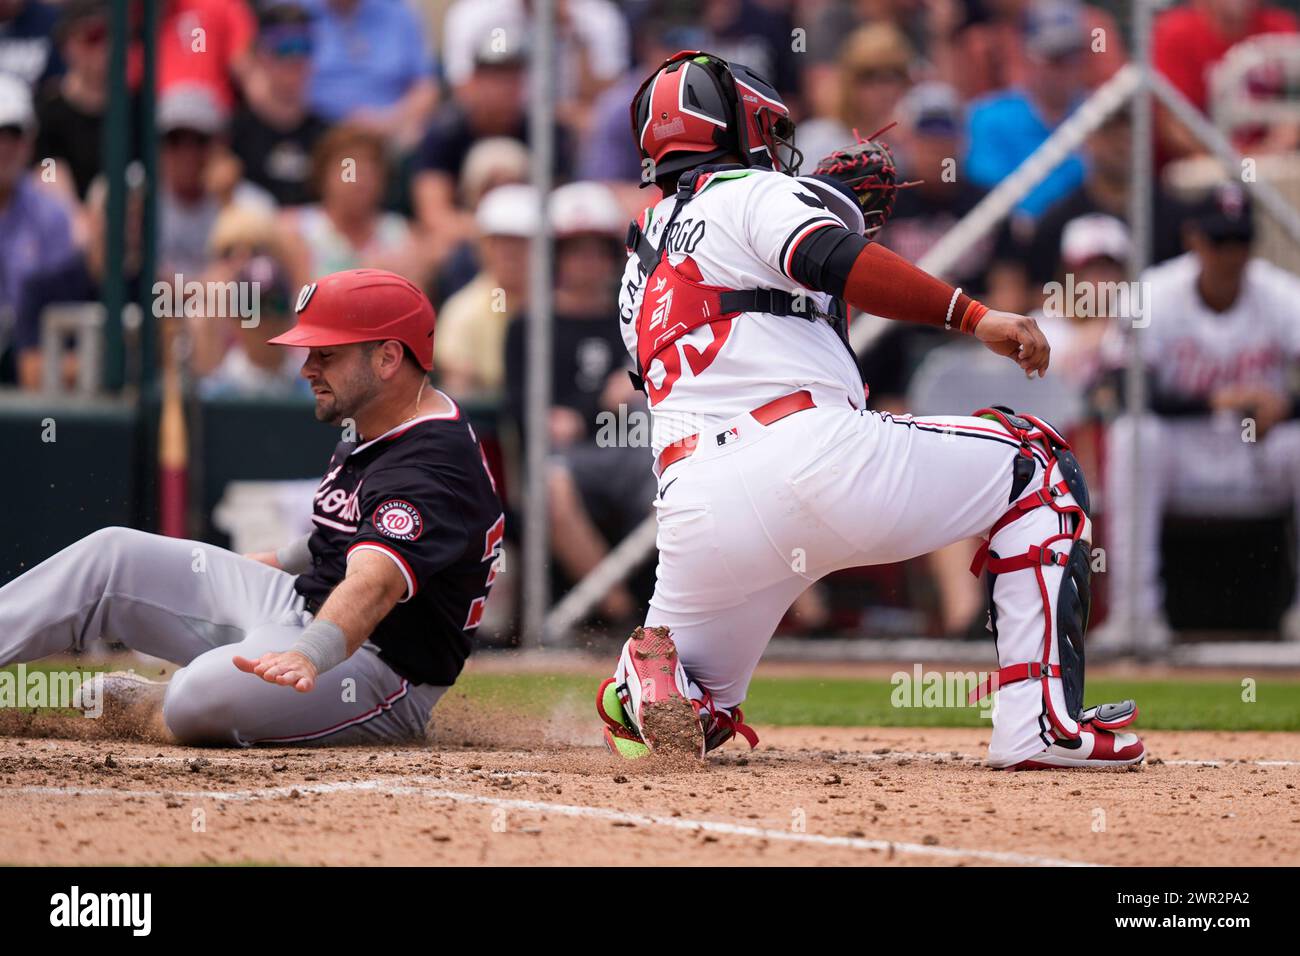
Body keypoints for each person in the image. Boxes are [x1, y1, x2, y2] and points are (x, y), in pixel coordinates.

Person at [595, 50, 1144, 770]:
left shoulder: (638, 266)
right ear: (739, 124)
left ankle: (638, 684)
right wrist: (975, 315)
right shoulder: (749, 190)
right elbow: (834, 261)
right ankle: (1039, 725)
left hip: (698, 513)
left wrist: (828, 219)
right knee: (1039, 462)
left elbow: (771, 318)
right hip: (813, 455)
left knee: (699, 717)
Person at [0, 269, 505, 745]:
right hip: (297, 606)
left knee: (196, 699)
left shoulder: (430, 465)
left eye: (326, 354)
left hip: (376, 666)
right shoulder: (380, 416)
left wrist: (307, 656)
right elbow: (342, 534)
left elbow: (373, 584)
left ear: (387, 358)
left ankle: (157, 704)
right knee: (111, 556)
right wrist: (271, 565)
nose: (307, 368)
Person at [1101, 186, 1300, 651]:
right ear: (1194, 240)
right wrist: (1216, 400)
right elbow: (1122, 390)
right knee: (1133, 435)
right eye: (1219, 242)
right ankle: (1136, 618)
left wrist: (1286, 405)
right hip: (1181, 451)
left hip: (1256, 451)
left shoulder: (1281, 293)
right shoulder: (1155, 291)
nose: (1230, 255)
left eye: (1239, 242)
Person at [504, 181, 654, 623]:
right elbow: (531, 414)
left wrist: (604, 403)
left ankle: (671, 616)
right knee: (553, 485)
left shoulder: (633, 317)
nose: (587, 264)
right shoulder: (530, 324)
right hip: (565, 460)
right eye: (575, 252)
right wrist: (597, 404)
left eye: (597, 252)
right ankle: (617, 615)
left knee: (685, 482)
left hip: (632, 448)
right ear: (556, 258)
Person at [964, 0, 1089, 218]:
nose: (1066, 69)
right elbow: (984, 196)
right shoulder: (989, 118)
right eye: (1055, 58)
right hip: (1015, 242)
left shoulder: (1101, 115)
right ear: (1027, 57)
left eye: (1073, 57)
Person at [280, 123, 421, 288]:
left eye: (369, 171)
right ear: (323, 174)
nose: (359, 181)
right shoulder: (295, 230)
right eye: (349, 169)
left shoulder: (402, 235)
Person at [156, 83, 274, 280]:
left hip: (230, 309)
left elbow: (257, 284)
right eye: (175, 140)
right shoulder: (136, 194)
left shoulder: (253, 205)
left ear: (221, 144)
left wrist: (227, 201)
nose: (187, 153)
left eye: (199, 141)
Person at [0, 71, 73, 380]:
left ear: (28, 141)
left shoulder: (51, 215)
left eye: (12, 135)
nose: (3, 148)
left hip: (35, 368)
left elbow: (62, 311)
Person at [433, 181, 535, 402]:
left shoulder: (561, 305)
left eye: (521, 242)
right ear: (483, 247)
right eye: (500, 242)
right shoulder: (461, 311)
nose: (510, 253)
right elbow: (459, 390)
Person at [230, 2, 328, 208]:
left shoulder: (327, 136)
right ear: (261, 55)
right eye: (285, 47)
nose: (295, 58)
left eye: (305, 47)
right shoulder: (233, 135)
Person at [303, 0, 437, 150]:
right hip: (312, 134)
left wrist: (387, 122)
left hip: (388, 136)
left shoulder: (399, 12)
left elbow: (426, 89)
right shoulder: (292, 12)